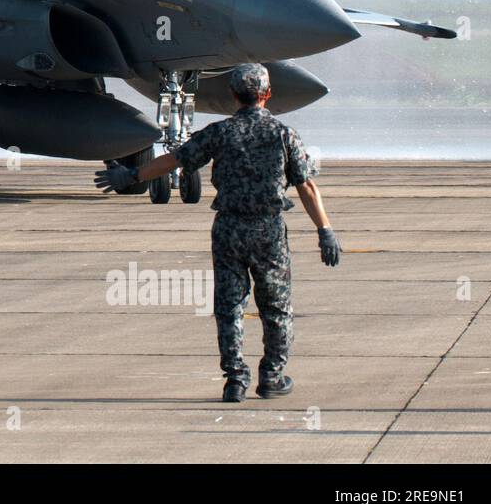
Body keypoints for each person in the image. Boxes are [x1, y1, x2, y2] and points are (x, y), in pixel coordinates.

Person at [94, 63, 341, 403]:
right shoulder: (284, 135)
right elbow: (306, 185)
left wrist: (133, 176)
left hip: (228, 229)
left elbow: (174, 160)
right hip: (268, 230)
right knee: (276, 308)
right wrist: (324, 230)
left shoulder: (219, 132)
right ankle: (271, 376)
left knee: (229, 308)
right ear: (267, 94)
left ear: (233, 95)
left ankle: (235, 381)